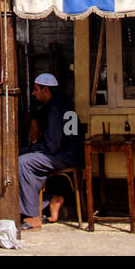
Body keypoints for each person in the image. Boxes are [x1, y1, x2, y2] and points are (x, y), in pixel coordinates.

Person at [18, 72, 80, 229]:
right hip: (70, 154)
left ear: (45, 90)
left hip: (64, 156)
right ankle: (50, 200)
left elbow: (52, 146)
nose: (33, 93)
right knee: (26, 158)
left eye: (35, 89)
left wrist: (30, 149)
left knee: (23, 162)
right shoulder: (63, 104)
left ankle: (33, 216)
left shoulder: (53, 109)